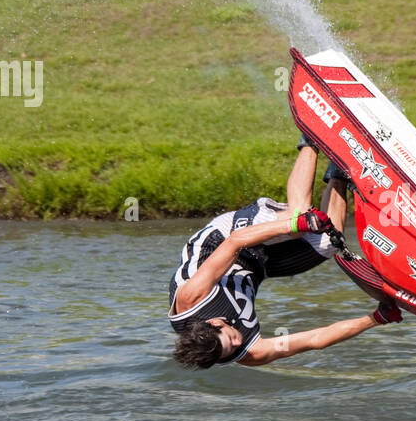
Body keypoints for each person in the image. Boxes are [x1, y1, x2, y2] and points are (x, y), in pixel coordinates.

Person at [168, 140, 401, 368]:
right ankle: (340, 169)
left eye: (230, 339)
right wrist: (375, 319)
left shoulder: (191, 299)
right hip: (258, 264)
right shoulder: (251, 353)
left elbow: (234, 242)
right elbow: (314, 340)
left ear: (215, 322)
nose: (237, 343)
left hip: (225, 236)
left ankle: (311, 138)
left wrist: (296, 224)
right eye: (230, 351)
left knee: (298, 216)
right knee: (330, 241)